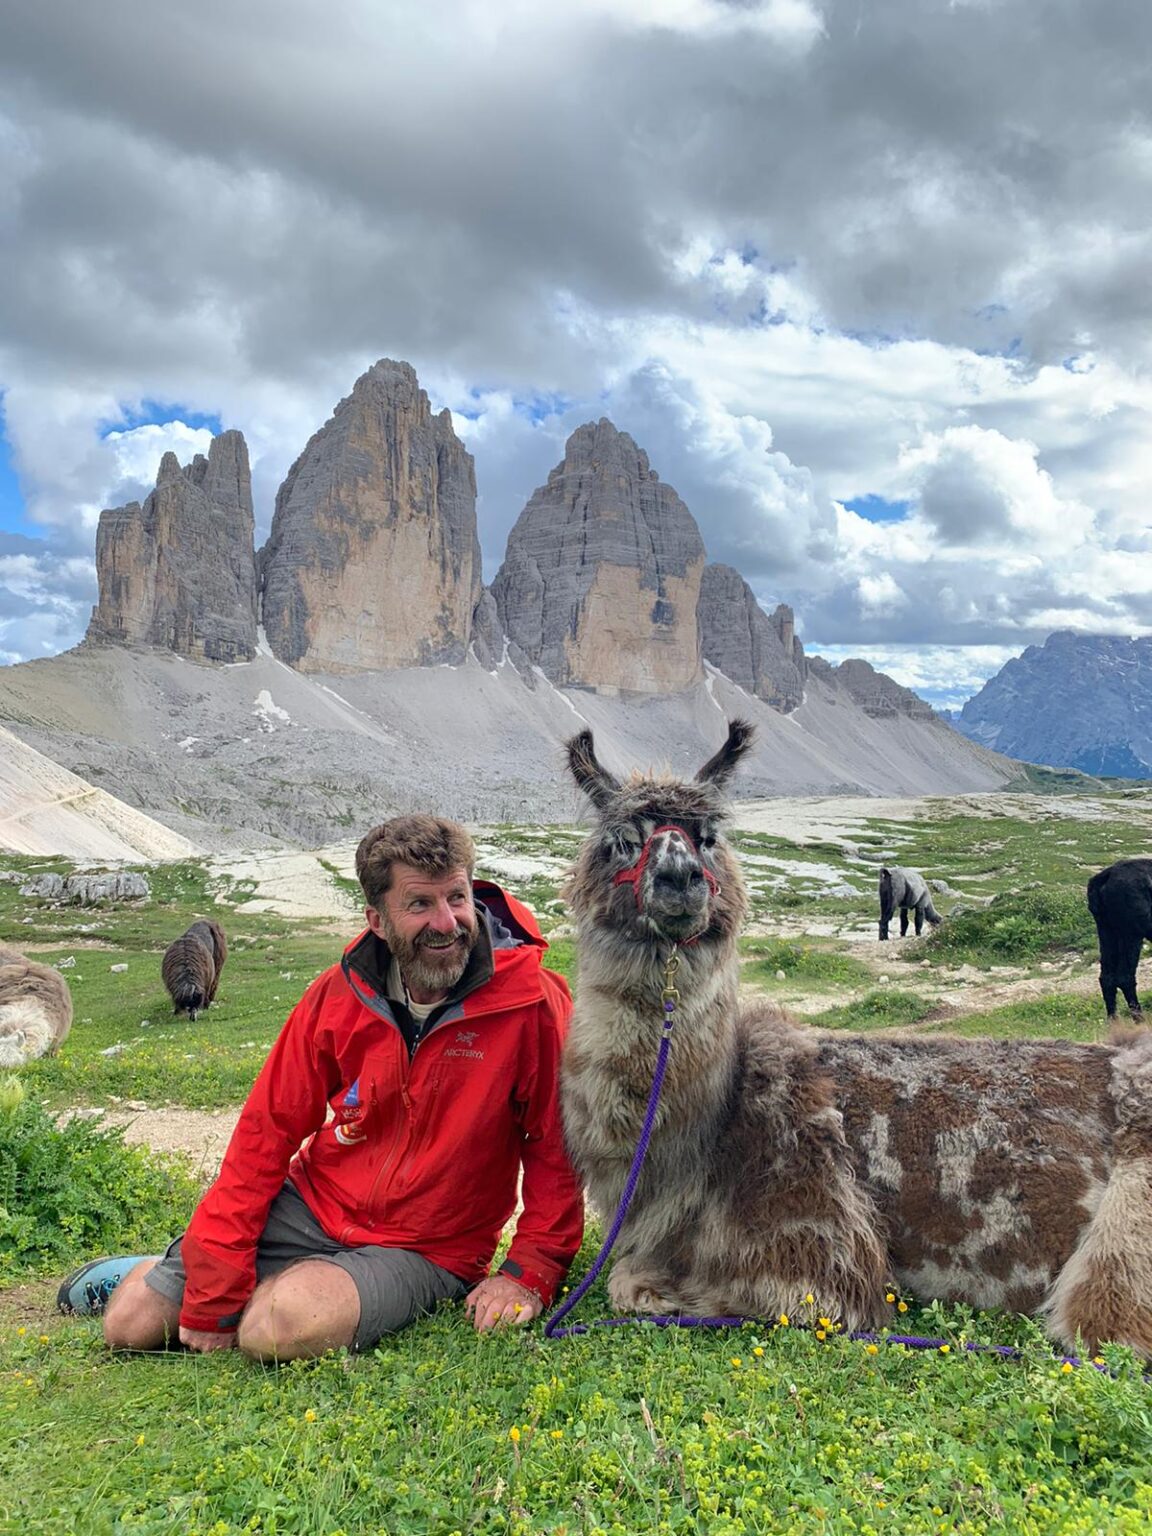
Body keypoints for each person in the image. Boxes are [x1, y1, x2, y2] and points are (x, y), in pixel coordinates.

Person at [58, 815, 584, 1358]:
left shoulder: (533, 1004)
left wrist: (531, 1270)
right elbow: (266, 1133)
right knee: (129, 1326)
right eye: (420, 904)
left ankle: (288, 1284)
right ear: (377, 920)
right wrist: (215, 1291)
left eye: (456, 897)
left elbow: (557, 1149)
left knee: (281, 1326)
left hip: (426, 1246)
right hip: (313, 1206)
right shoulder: (339, 994)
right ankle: (144, 1272)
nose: (448, 923)